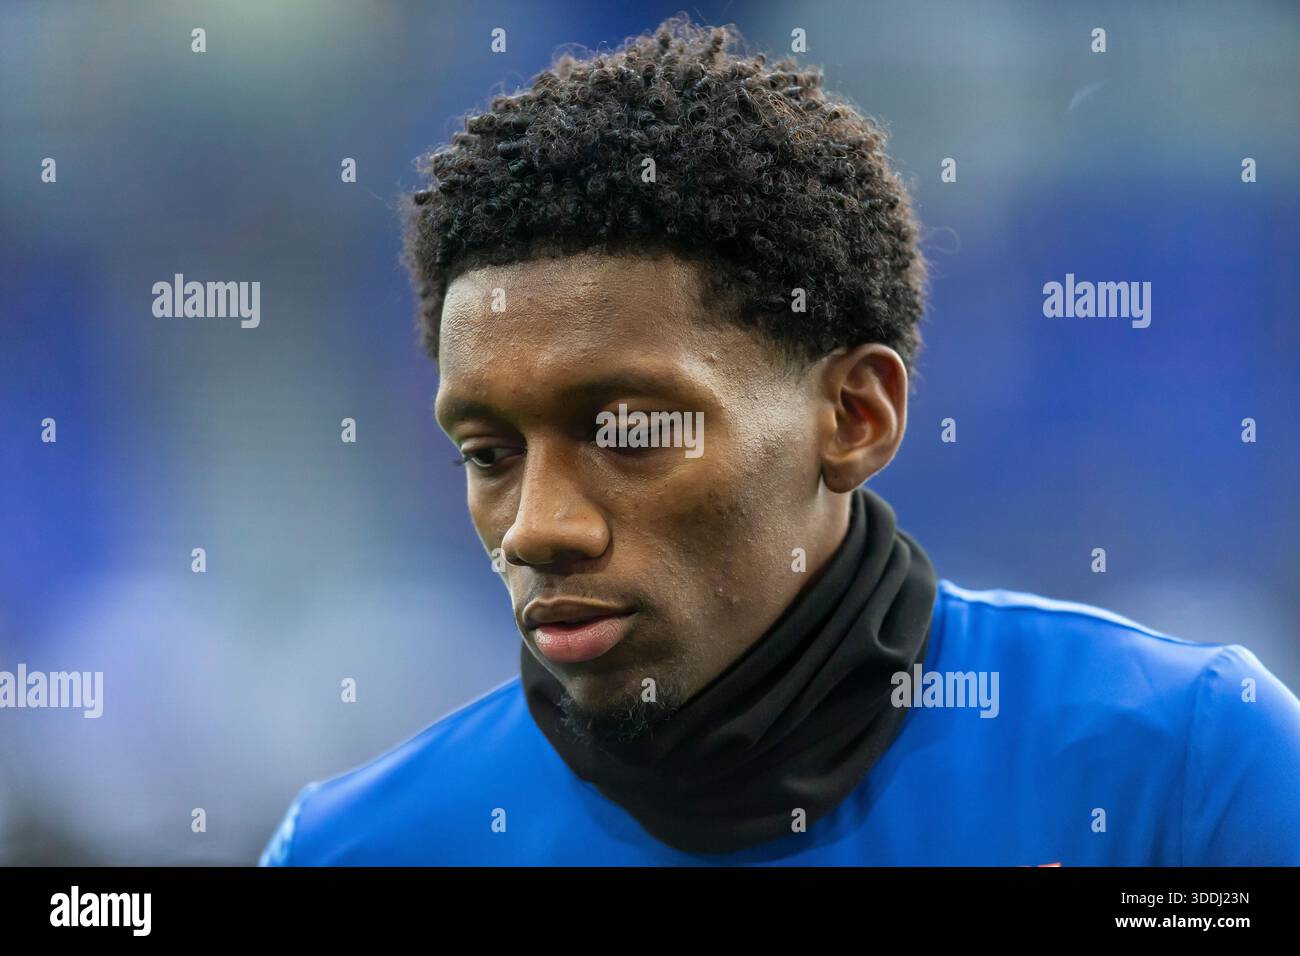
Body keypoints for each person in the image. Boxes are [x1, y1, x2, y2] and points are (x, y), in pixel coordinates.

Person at [260, 18, 1300, 865]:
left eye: (630, 430)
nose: (537, 528)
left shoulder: (1181, 768)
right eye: (489, 453)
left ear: (855, 416)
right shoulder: (358, 846)